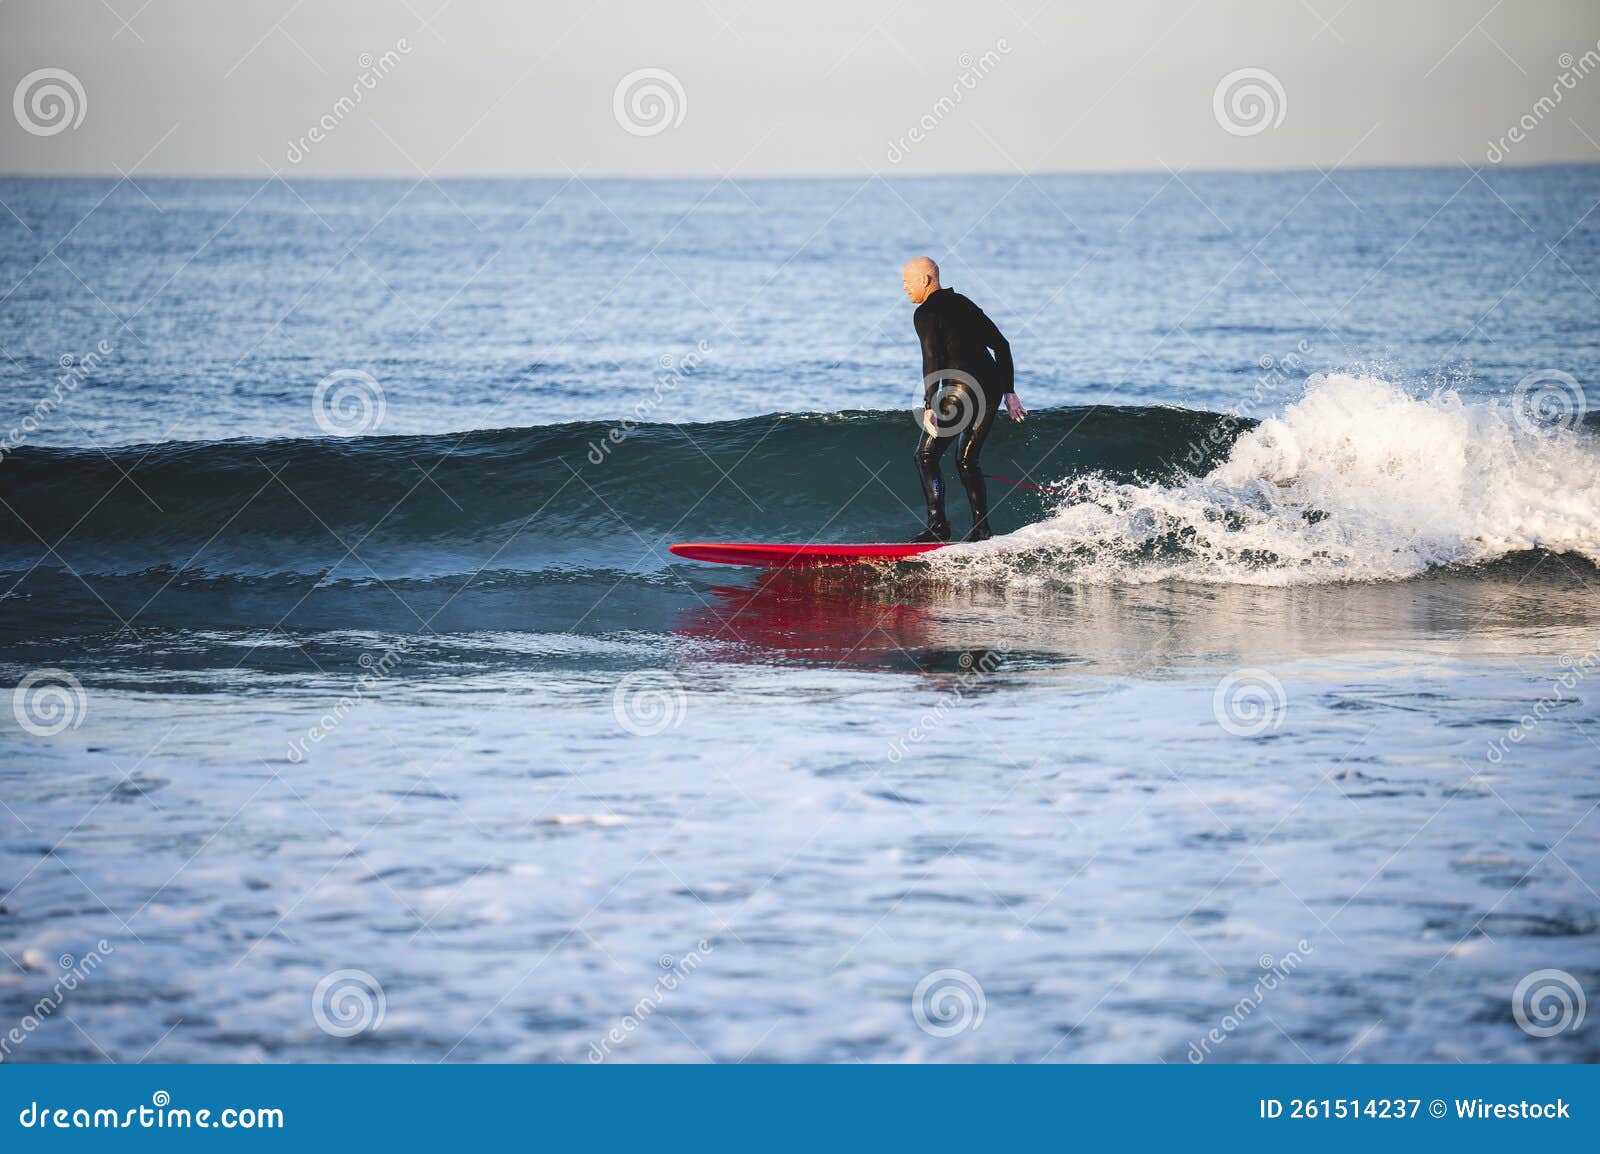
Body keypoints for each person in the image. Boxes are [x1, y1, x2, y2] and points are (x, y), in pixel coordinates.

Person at [901, 256, 1026, 543]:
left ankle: (938, 527)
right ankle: (981, 530)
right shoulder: (964, 303)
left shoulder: (925, 313)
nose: (905, 288)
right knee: (967, 459)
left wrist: (931, 404)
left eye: (907, 282)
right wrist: (1009, 390)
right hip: (991, 385)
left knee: (926, 455)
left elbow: (932, 359)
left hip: (963, 388)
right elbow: (1002, 345)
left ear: (925, 280)